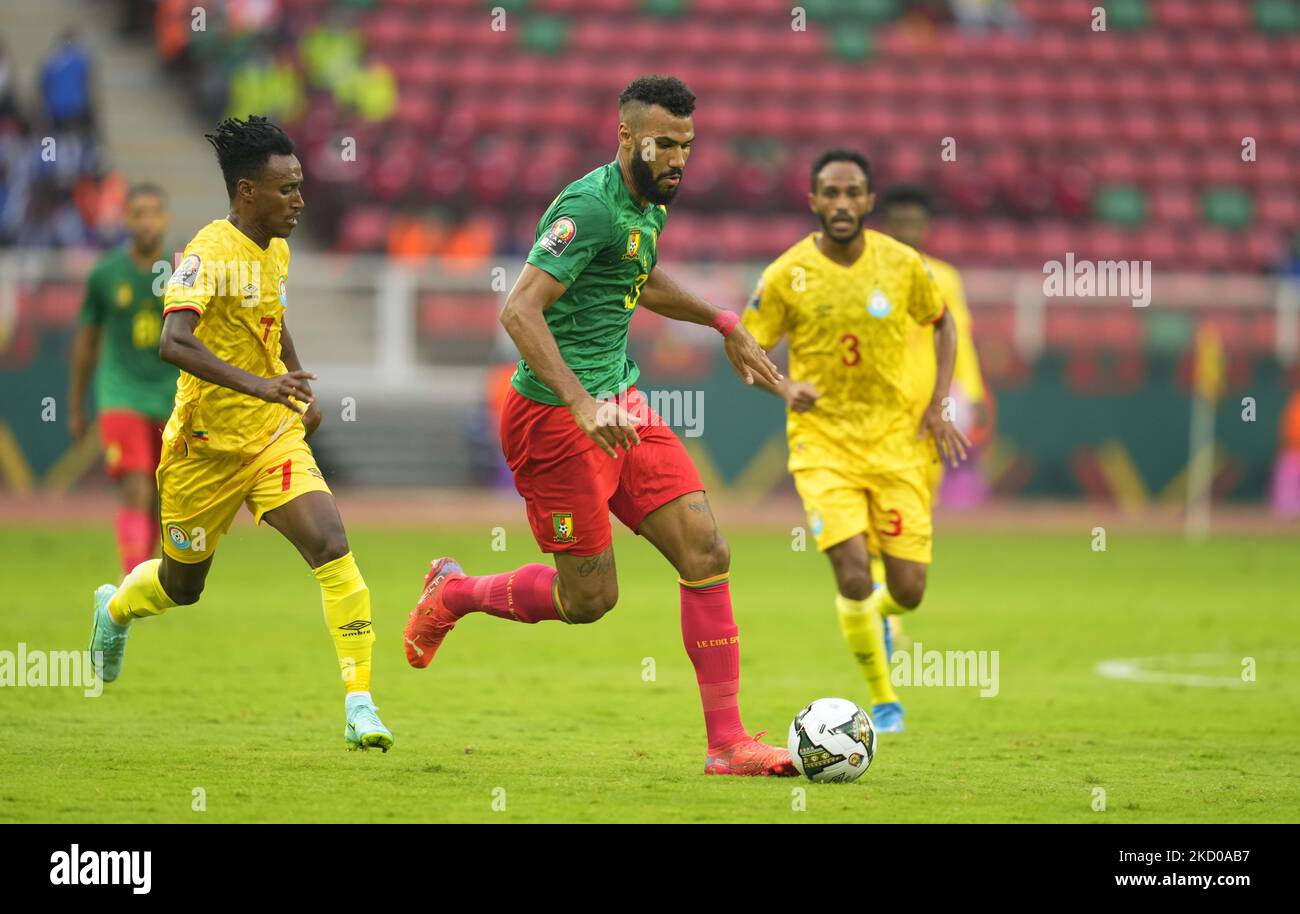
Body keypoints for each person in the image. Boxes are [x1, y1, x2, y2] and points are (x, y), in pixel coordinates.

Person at [404, 75, 796, 776]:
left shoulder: (649, 204)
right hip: (556, 421)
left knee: (706, 551)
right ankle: (454, 593)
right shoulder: (588, 207)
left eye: (687, 145)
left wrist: (720, 320)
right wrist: (584, 404)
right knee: (589, 600)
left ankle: (728, 744)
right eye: (665, 144)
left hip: (623, 404)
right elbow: (518, 310)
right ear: (626, 137)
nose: (678, 159)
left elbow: (634, 276)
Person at [88, 116, 393, 752]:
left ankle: (360, 703)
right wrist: (260, 385)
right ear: (247, 191)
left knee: (332, 546)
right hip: (202, 449)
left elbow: (271, 322)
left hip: (270, 439)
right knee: (183, 586)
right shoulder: (205, 254)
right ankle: (115, 609)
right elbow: (176, 341)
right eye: (287, 189)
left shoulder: (276, 249)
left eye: (302, 186)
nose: (300, 201)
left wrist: (293, 385)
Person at [742, 150, 970, 733]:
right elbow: (743, 343)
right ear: (813, 200)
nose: (841, 204)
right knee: (850, 574)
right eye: (830, 193)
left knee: (908, 591)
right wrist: (784, 386)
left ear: (869, 202)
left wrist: (939, 402)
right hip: (823, 445)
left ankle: (881, 617)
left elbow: (942, 322)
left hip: (896, 443)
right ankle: (885, 700)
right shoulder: (786, 273)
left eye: (852, 194)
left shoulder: (902, 264)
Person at [878, 183, 991, 637]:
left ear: (927, 228)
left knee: (919, 502)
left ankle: (893, 593)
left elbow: (957, 336)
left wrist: (973, 393)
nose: (908, 230)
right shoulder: (870, 272)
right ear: (888, 225)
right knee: (879, 498)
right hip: (881, 408)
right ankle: (881, 608)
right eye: (900, 221)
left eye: (916, 222)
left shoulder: (944, 278)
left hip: (930, 410)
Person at [69, 183, 178, 574]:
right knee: (134, 485)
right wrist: (76, 406)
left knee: (159, 495)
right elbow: (86, 343)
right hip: (121, 392)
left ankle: (147, 575)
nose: (146, 221)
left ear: (165, 219)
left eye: (154, 212)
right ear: (127, 219)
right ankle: (133, 574)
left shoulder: (183, 272)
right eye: (138, 213)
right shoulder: (104, 275)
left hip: (170, 394)